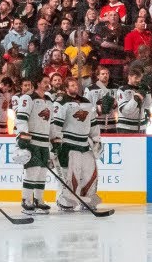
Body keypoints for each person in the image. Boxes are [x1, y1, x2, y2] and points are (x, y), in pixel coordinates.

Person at [51, 76, 103, 212]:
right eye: (72, 85)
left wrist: (96, 139)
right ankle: (65, 201)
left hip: (85, 144)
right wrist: (55, 141)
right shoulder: (61, 102)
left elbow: (93, 123)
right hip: (68, 145)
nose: (75, 87)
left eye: (76, 85)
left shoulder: (86, 102)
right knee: (69, 175)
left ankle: (87, 199)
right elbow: (56, 124)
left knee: (89, 174)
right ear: (66, 88)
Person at [14, 76, 54, 215]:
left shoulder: (49, 100)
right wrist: (23, 135)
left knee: (42, 172)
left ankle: (39, 200)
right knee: (33, 171)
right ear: (37, 83)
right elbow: (21, 118)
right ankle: (26, 200)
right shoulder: (28, 98)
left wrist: (54, 139)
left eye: (48, 82)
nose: (48, 84)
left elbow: (51, 122)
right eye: (45, 82)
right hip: (32, 140)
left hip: (44, 142)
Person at [113, 69, 149, 133]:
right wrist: (135, 98)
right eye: (136, 77)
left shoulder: (141, 89)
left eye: (139, 78)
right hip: (125, 127)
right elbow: (125, 111)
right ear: (129, 77)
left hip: (141, 126)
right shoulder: (122, 90)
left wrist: (148, 92)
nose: (138, 80)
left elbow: (147, 106)